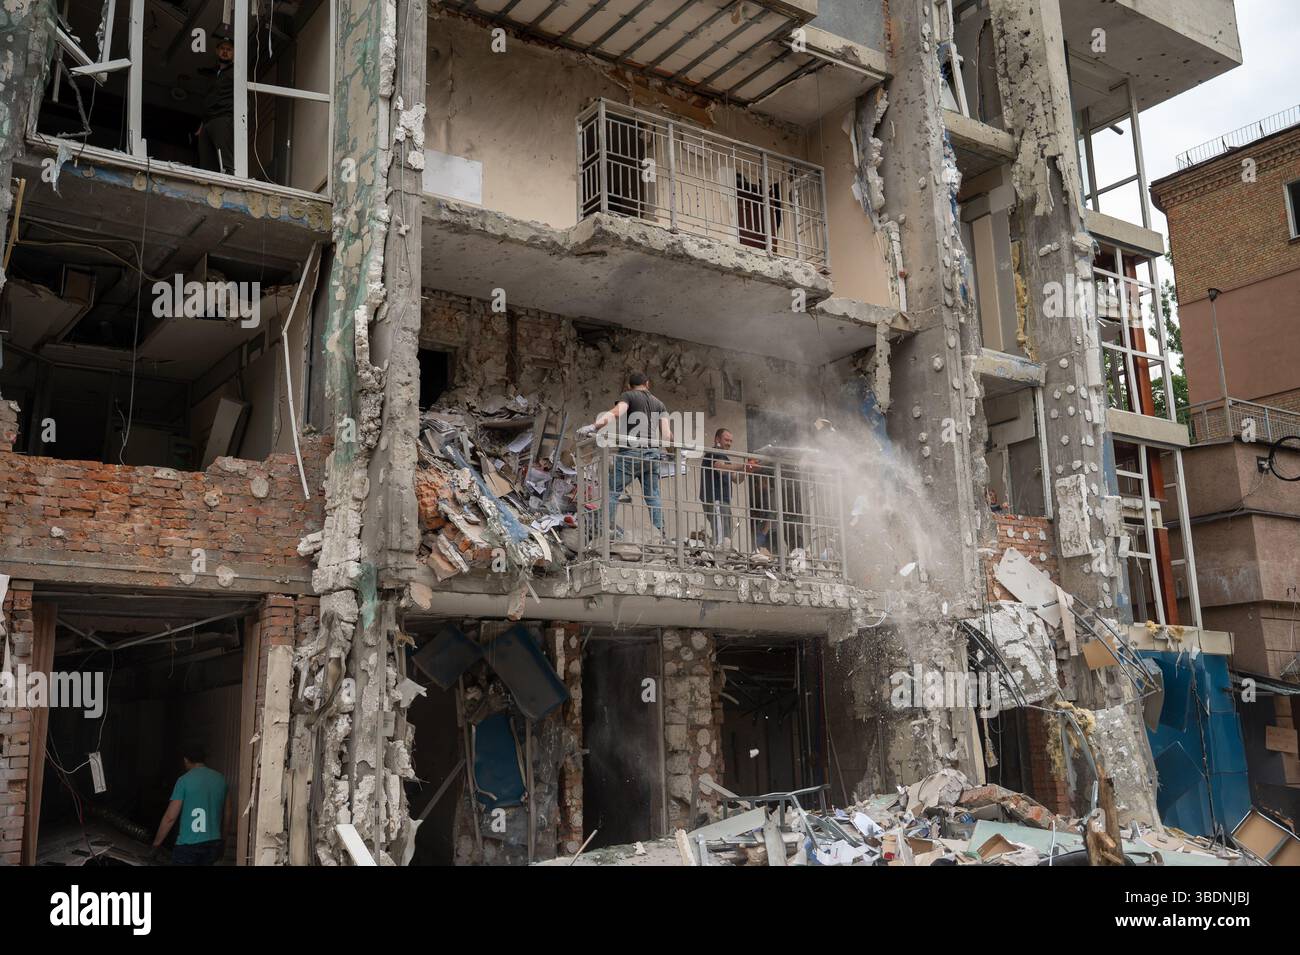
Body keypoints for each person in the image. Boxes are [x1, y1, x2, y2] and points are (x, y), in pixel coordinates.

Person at [586, 373, 672, 539]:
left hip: (631, 453)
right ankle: (660, 533)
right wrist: (676, 450)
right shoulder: (660, 404)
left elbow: (618, 412)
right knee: (653, 496)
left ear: (629, 385)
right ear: (648, 383)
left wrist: (594, 426)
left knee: (613, 491)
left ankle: (602, 530)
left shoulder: (628, 395)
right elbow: (667, 435)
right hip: (653, 454)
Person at [151, 743, 231, 865]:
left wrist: (156, 845)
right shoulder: (221, 780)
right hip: (213, 844)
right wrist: (223, 843)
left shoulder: (184, 781)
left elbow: (170, 817)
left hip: (188, 846)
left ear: (186, 760)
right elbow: (227, 816)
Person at [699, 428, 745, 548]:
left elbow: (736, 479)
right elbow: (720, 468)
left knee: (725, 532)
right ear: (717, 439)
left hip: (723, 501)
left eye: (731, 441)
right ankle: (720, 556)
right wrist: (743, 465)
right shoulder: (714, 452)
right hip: (716, 499)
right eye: (726, 440)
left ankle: (723, 555)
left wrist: (747, 470)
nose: (729, 443)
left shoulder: (725, 458)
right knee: (721, 534)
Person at [196, 37, 236, 173]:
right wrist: (202, 124)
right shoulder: (213, 74)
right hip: (208, 121)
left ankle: (230, 186)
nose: (225, 52)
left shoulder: (236, 72)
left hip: (224, 118)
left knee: (225, 162)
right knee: (206, 164)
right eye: (223, 49)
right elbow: (208, 100)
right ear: (217, 51)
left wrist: (237, 121)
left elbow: (245, 98)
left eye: (229, 49)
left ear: (234, 53)